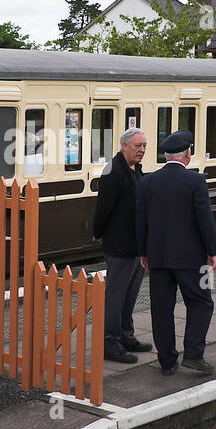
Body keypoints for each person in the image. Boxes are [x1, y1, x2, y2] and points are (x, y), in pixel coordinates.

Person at [136, 130, 216, 376]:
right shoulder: (195, 182)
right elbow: (204, 220)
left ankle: (167, 361)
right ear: (188, 155)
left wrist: (144, 252)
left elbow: (141, 221)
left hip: (158, 258)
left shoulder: (147, 182)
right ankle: (193, 355)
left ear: (165, 156)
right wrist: (212, 252)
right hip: (191, 260)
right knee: (201, 302)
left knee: (161, 309)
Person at [90, 128, 152, 363]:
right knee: (116, 296)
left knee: (130, 295)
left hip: (136, 245)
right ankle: (110, 342)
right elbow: (103, 207)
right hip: (119, 245)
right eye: (138, 146)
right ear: (124, 145)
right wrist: (98, 232)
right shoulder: (113, 171)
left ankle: (126, 336)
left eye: (144, 146)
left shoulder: (136, 170)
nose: (142, 150)